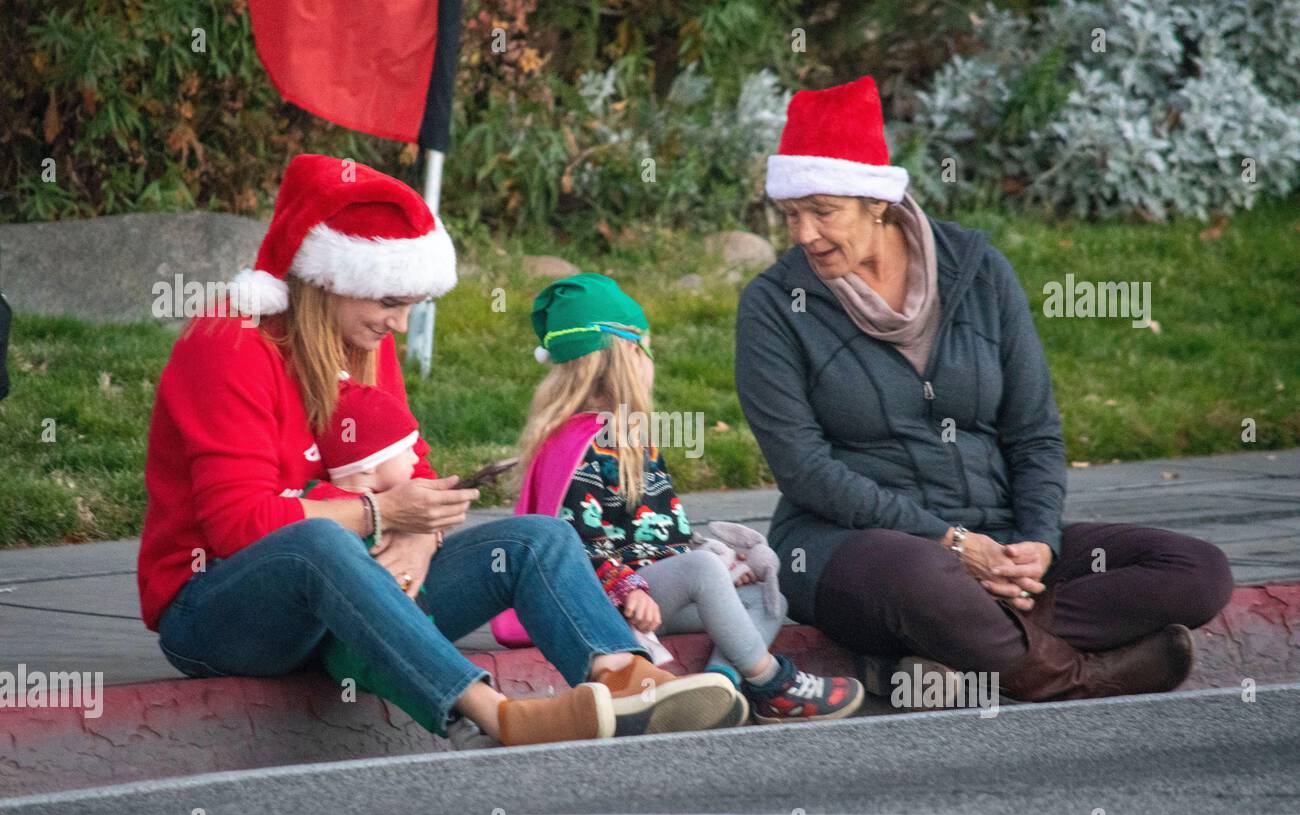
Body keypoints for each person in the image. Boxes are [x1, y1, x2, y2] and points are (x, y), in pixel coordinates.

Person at [137, 154, 740, 748]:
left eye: (408, 306)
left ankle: (626, 678)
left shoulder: (363, 341)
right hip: (218, 615)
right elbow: (240, 528)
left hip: (352, 599)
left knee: (537, 537)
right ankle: (495, 715)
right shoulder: (228, 345)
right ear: (329, 282)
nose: (399, 325)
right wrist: (384, 517)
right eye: (389, 303)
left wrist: (418, 539)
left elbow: (414, 472)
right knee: (318, 543)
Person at [733, 77, 1234, 701]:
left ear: (878, 202)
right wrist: (951, 543)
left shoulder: (978, 270)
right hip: (851, 551)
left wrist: (1039, 546)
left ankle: (951, 655)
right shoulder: (775, 305)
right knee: (921, 578)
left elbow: (1034, 431)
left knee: (1198, 571)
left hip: (996, 530)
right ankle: (1077, 676)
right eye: (791, 214)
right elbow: (805, 470)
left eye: (823, 212)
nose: (803, 234)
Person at [496, 273, 865, 721]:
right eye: (645, 348)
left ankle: (720, 689)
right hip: (598, 602)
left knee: (769, 599)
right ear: (628, 355)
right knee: (703, 570)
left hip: (649, 597)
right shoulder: (581, 445)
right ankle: (775, 683)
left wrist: (728, 568)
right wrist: (628, 587)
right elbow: (571, 543)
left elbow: (663, 534)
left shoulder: (631, 437)